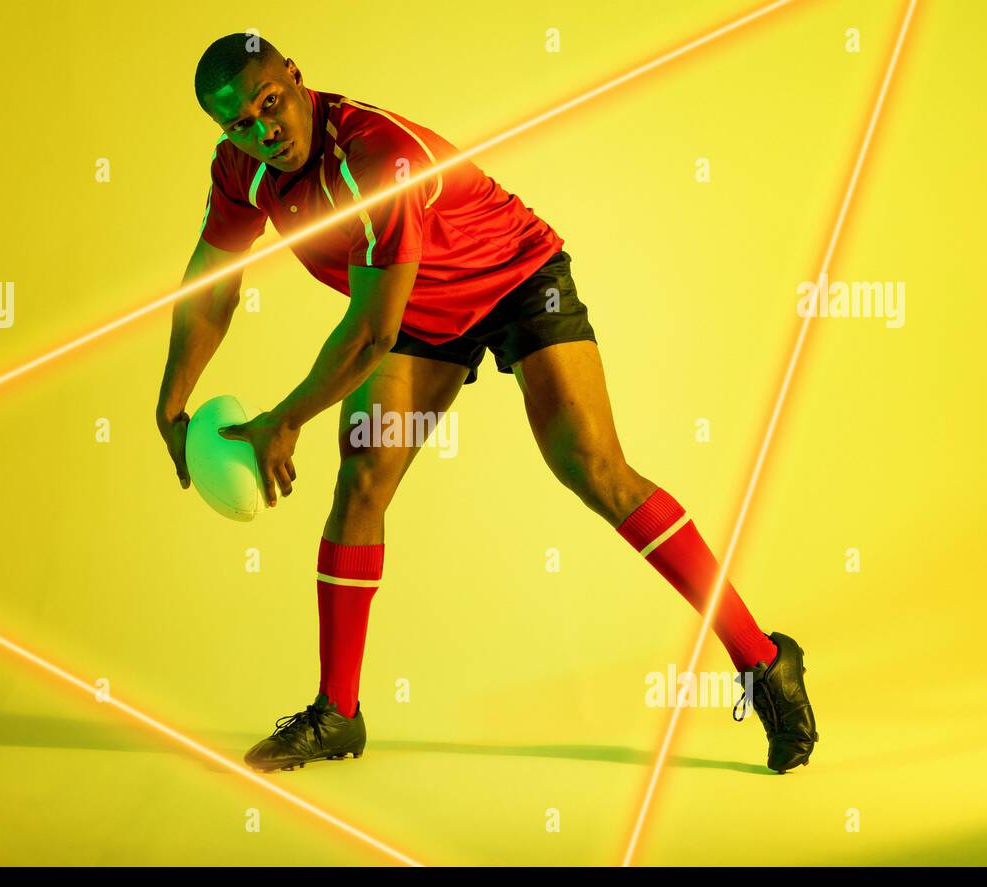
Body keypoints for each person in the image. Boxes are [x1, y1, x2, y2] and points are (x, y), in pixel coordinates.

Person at [156, 33, 817, 775]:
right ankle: (337, 714)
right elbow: (213, 283)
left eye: (268, 105)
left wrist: (284, 421)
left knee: (593, 466)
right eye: (238, 123)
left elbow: (371, 333)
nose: (262, 132)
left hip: (514, 279)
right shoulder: (241, 170)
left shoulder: (379, 160)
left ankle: (764, 660)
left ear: (296, 79)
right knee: (362, 481)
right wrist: (171, 404)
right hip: (416, 310)